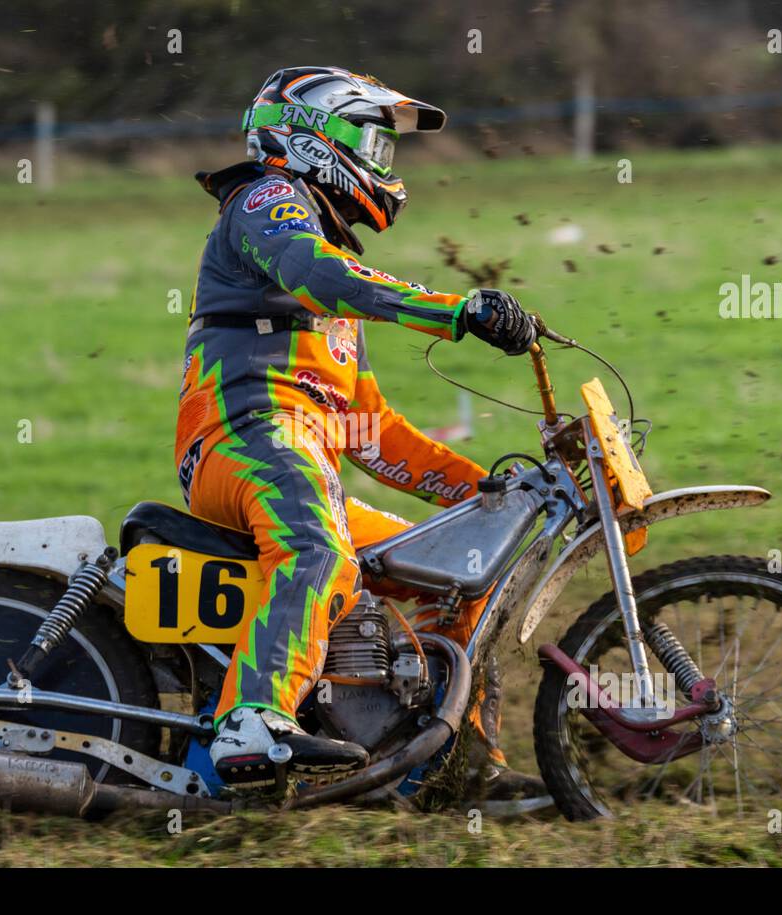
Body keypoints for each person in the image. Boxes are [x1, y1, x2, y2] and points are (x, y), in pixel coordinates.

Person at [174, 66, 538, 786]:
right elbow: (312, 270)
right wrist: (454, 311)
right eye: (372, 142)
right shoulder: (264, 198)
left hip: (300, 452)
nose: (382, 164)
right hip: (245, 436)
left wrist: (486, 494)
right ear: (316, 139)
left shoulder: (334, 281)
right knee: (319, 551)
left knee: (452, 579)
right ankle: (249, 722)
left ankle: (455, 767)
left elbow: (370, 431)